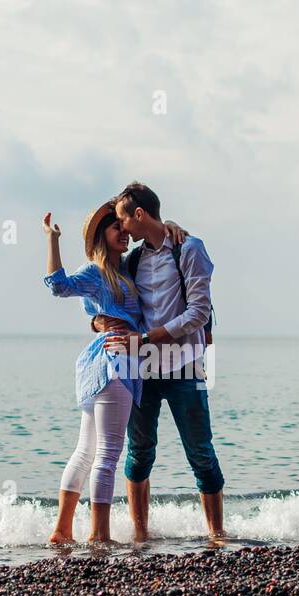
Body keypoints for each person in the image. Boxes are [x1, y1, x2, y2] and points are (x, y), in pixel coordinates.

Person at [92, 182, 225, 542]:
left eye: (123, 220)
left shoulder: (189, 248)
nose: (122, 229)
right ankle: (140, 533)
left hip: (188, 364)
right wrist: (99, 322)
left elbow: (197, 313)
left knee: (200, 451)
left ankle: (217, 532)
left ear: (139, 215)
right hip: (142, 368)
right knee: (139, 453)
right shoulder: (133, 259)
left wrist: (148, 338)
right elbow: (110, 300)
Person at [41, 203, 142, 543]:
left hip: (100, 366)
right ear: (102, 235)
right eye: (117, 228)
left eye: (124, 227)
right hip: (114, 364)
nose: (124, 232)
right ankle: (99, 535)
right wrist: (52, 240)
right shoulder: (98, 272)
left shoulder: (123, 270)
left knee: (85, 452)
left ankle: (61, 531)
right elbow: (58, 286)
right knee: (108, 454)